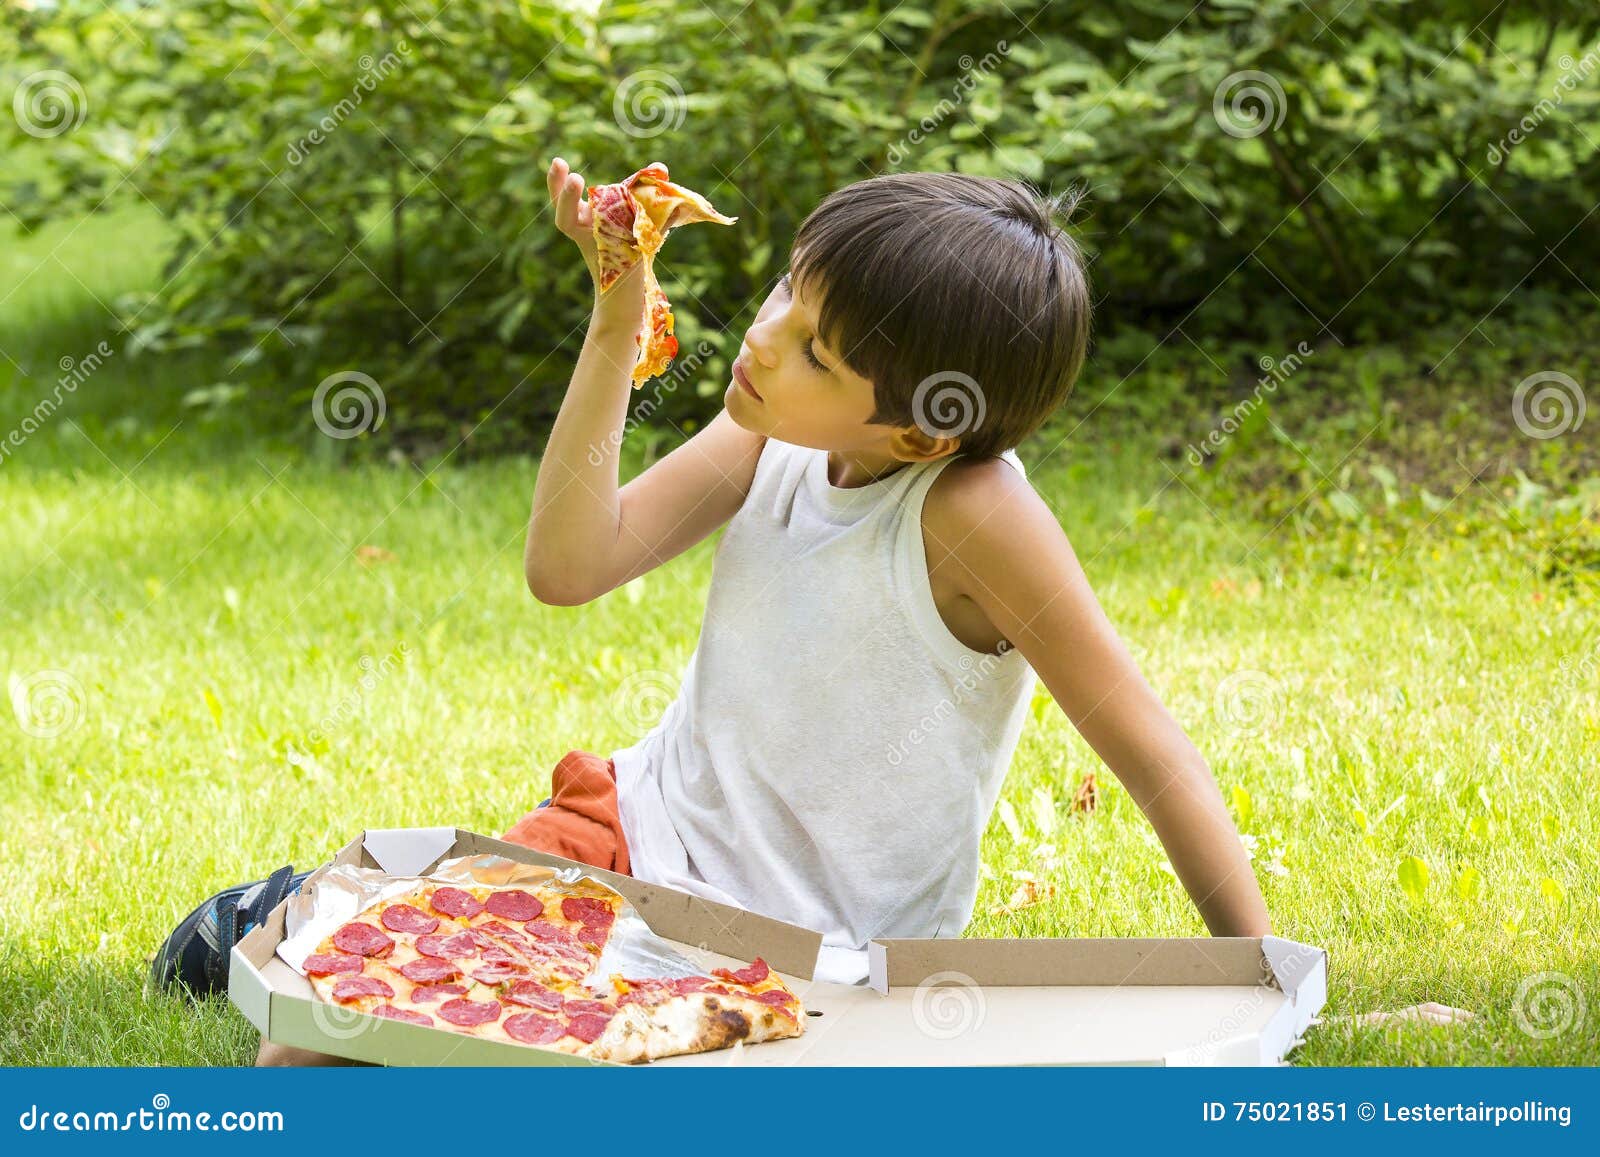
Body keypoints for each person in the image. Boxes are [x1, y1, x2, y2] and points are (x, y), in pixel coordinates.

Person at [166, 156, 1270, 1065]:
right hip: (628, 842)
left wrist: (1263, 985)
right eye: (788, 287)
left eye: (814, 350)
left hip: (816, 963)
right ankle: (311, 907)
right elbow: (569, 562)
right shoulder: (769, 432)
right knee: (316, 1043)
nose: (763, 335)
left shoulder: (972, 515)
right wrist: (614, 324)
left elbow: (1146, 747)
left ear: (923, 433)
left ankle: (311, 902)